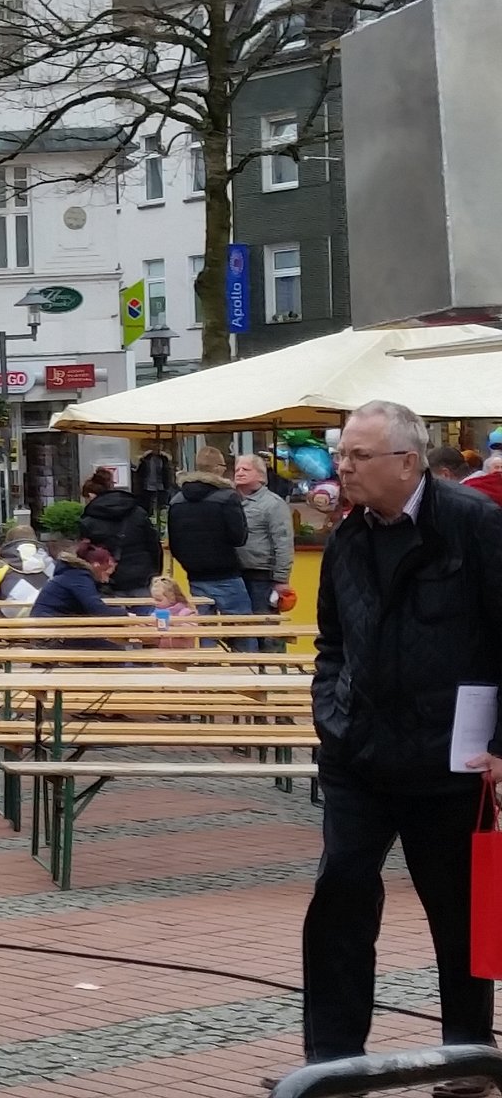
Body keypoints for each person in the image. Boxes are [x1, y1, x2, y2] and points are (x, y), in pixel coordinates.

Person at [284, 401, 502, 1092]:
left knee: (463, 911)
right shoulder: (348, 535)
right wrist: (331, 714)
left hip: (453, 759)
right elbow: (331, 644)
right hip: (359, 756)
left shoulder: (476, 526)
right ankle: (332, 1058)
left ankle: (469, 1054)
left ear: (407, 462)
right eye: (341, 454)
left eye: (356, 456)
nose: (340, 467)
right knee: (340, 891)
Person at [167, 446, 251, 617]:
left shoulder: (177, 500)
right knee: (242, 628)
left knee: (206, 629)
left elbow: (174, 543)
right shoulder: (227, 497)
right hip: (226, 574)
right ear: (218, 468)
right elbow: (239, 538)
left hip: (195, 576)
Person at [233, 454, 295, 652]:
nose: (239, 472)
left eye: (246, 469)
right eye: (237, 469)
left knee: (266, 629)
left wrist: (282, 579)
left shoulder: (273, 504)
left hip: (263, 576)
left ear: (261, 476)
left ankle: (274, 672)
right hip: (235, 575)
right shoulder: (229, 501)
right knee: (241, 630)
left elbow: (283, 542)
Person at [78, 469, 163, 597]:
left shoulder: (89, 520)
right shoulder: (137, 511)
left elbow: (86, 553)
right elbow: (153, 544)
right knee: (147, 614)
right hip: (141, 576)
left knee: (115, 615)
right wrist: (154, 571)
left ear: (91, 495)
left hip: (110, 580)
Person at [33, 542, 119, 651]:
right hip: (50, 636)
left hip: (49, 631)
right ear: (96, 565)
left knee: (104, 644)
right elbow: (97, 609)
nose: (106, 580)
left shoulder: (73, 573)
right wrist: (126, 614)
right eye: (106, 572)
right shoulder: (79, 577)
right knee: (112, 651)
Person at [149, 576, 197, 649]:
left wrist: (172, 622)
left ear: (172, 598)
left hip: (183, 651)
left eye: (159, 600)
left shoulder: (186, 612)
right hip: (160, 651)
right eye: (154, 599)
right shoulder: (155, 612)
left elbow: (190, 632)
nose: (155, 603)